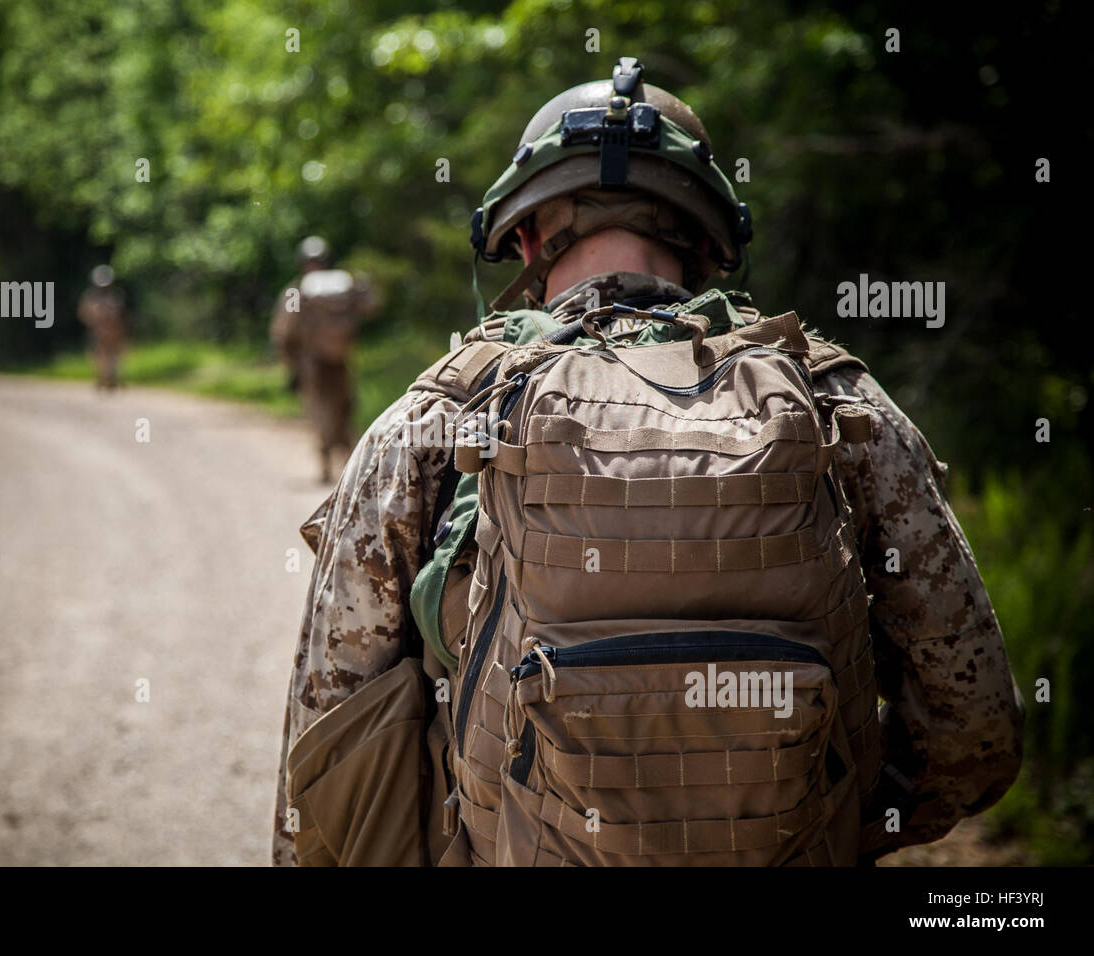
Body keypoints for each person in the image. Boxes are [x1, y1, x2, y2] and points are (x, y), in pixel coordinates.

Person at [272, 58, 1024, 866]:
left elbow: (328, 736)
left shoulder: (435, 415)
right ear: (705, 241)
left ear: (523, 238)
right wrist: (845, 817)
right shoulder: (839, 403)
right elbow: (974, 726)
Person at [270, 237, 378, 482]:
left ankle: (327, 468)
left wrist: (290, 364)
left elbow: (284, 331)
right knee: (344, 410)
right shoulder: (342, 287)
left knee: (321, 413)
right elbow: (371, 307)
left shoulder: (296, 290)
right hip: (341, 359)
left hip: (312, 363)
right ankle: (351, 470)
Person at [78, 265, 128, 389]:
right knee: (98, 355)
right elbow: (84, 313)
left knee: (114, 355)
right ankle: (102, 377)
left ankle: (112, 377)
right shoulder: (90, 296)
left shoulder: (116, 295)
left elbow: (121, 314)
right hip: (97, 330)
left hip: (114, 330)